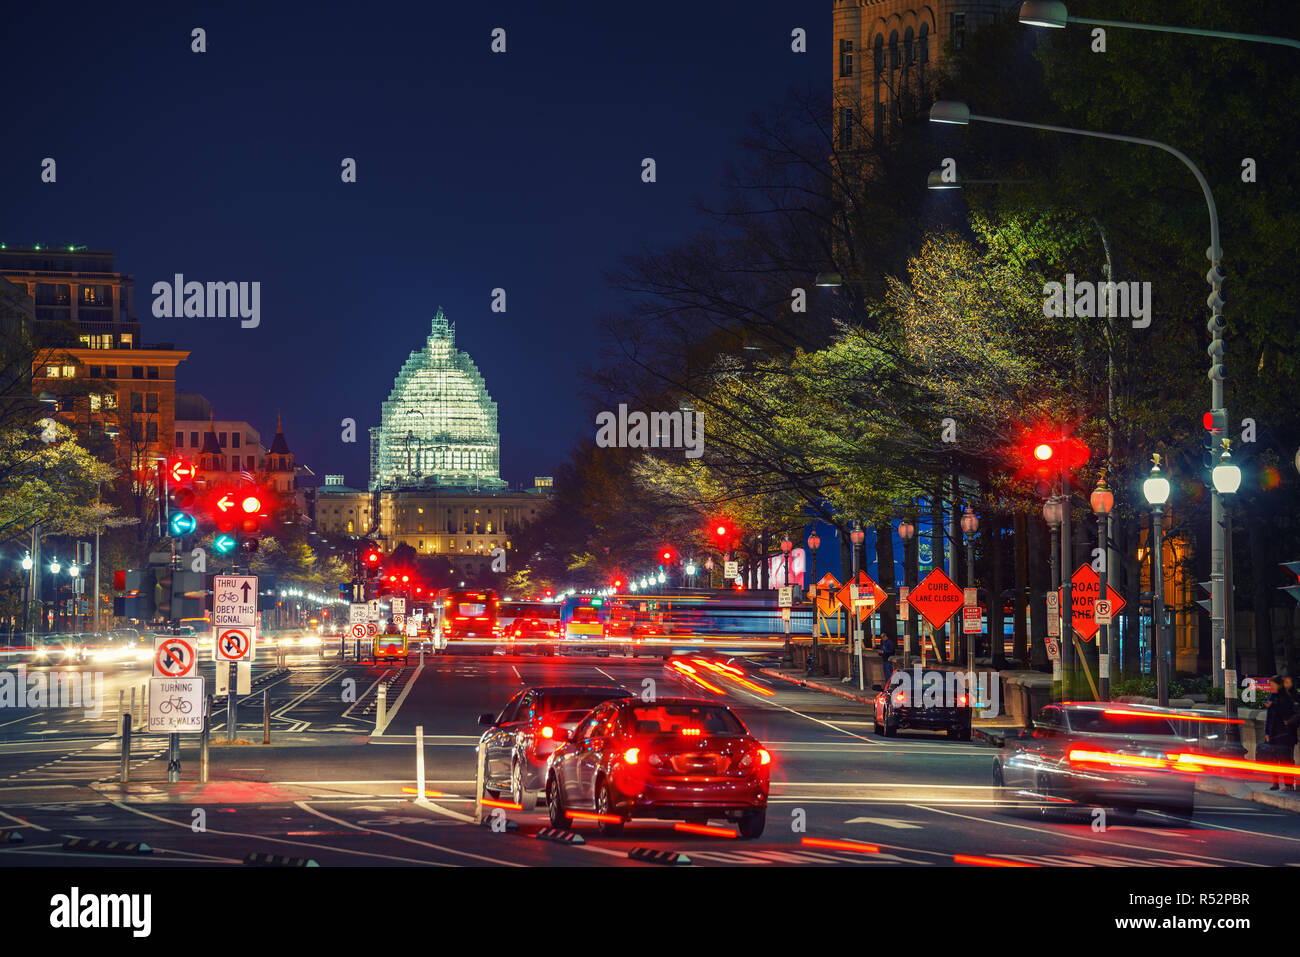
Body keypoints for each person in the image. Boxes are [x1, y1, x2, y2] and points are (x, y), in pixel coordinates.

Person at [1263, 676, 1297, 791]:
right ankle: (1275, 783)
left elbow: (1286, 712)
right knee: (1273, 759)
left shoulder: (1286, 697)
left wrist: (1273, 705)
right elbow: (1269, 716)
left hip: (1285, 734)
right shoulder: (1273, 697)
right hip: (1274, 733)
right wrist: (1267, 732)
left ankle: (1288, 784)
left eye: (1272, 684)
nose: (1270, 687)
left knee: (1286, 760)